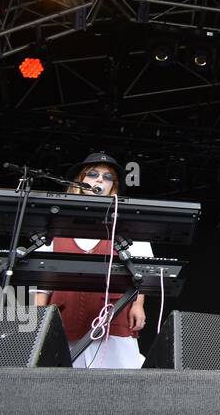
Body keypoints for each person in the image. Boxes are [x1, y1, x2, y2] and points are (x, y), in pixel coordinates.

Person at [33, 152, 152, 369]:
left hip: (113, 322)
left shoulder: (126, 225)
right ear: (80, 181)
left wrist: (138, 305)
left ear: (113, 187)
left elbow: (143, 271)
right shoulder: (55, 225)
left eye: (107, 177)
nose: (99, 180)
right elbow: (42, 281)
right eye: (93, 174)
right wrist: (39, 317)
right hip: (65, 320)